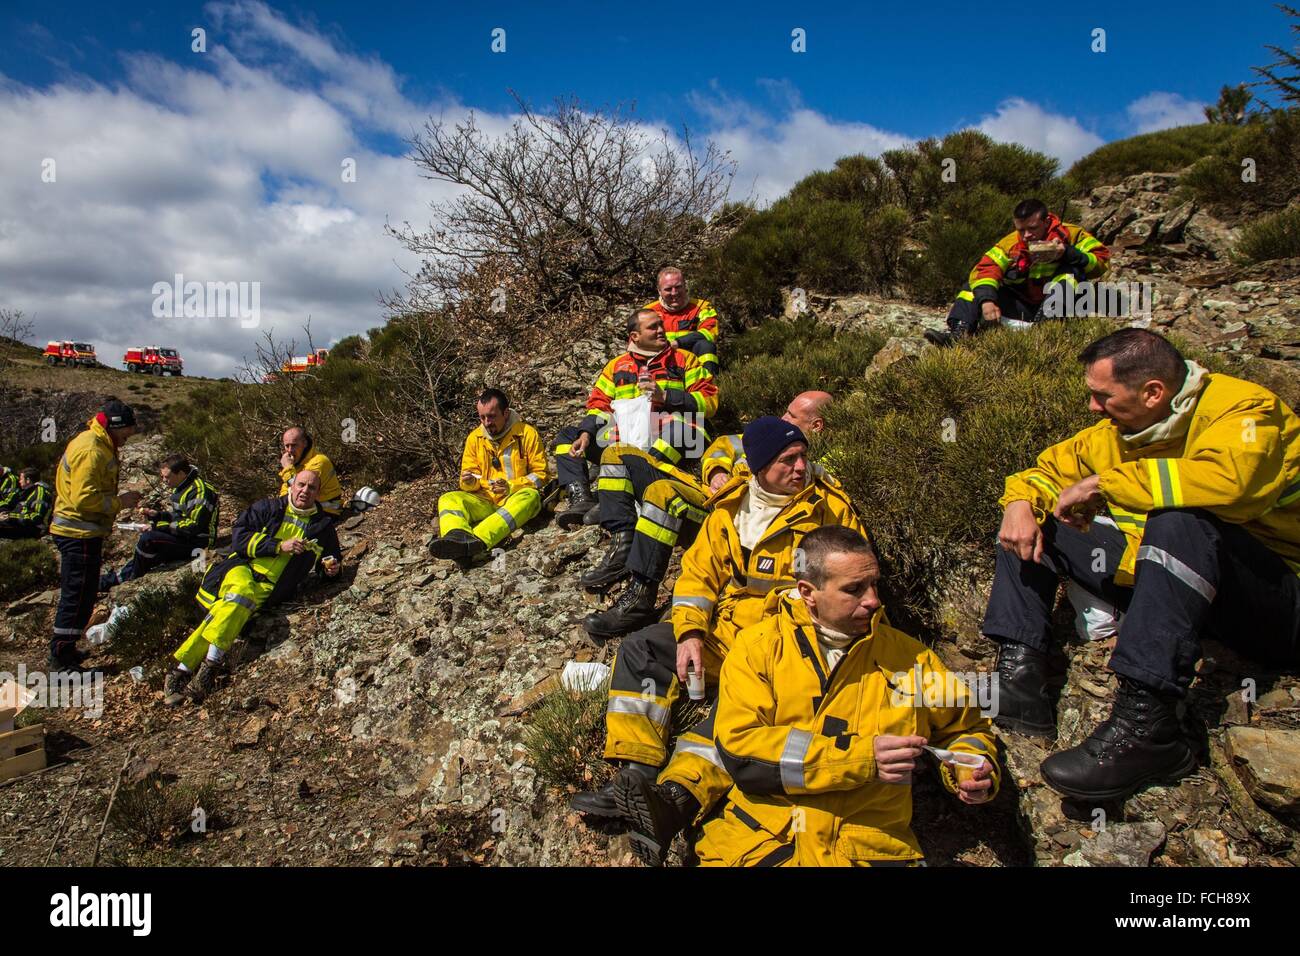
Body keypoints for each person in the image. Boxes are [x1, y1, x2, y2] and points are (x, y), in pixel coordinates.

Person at [986, 328, 1300, 802]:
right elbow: (1045, 471)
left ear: (1153, 392)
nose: (1092, 407)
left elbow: (1229, 482)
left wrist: (1103, 485)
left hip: (1278, 602)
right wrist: (1019, 502)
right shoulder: (1121, 431)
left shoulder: (1245, 410)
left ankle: (1147, 726)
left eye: (1102, 396)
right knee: (1030, 523)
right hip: (1189, 588)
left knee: (1181, 520)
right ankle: (1020, 679)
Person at [570, 416, 864, 818]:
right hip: (728, 631)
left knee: (738, 710)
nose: (801, 468)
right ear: (760, 467)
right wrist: (690, 632)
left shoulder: (829, 509)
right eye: (788, 460)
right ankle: (634, 775)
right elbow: (697, 575)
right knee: (642, 650)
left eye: (803, 457)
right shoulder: (732, 509)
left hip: (786, 644)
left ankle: (676, 795)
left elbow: (852, 583)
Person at [681, 527, 998, 867]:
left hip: (872, 850)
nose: (873, 599)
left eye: (874, 583)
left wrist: (972, 768)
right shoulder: (757, 649)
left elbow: (966, 729)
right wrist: (861, 761)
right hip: (764, 842)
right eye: (854, 589)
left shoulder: (912, 658)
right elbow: (741, 752)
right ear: (808, 592)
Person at [163, 469, 341, 706]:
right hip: (241, 569)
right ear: (291, 486)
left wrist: (331, 570)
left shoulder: (322, 525)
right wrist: (278, 546)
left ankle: (179, 672)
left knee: (228, 611)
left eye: (311, 488)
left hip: (271, 589)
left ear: (318, 493)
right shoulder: (267, 508)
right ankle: (210, 668)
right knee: (241, 595)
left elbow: (329, 558)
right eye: (301, 485)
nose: (304, 491)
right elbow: (240, 538)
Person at [553, 308, 718, 528]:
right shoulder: (616, 366)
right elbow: (599, 404)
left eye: (661, 325)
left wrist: (666, 397)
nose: (662, 330)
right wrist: (586, 433)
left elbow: (710, 402)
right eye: (653, 327)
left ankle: (616, 500)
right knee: (567, 436)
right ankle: (581, 498)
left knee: (674, 432)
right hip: (627, 441)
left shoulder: (684, 360)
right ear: (634, 337)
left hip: (681, 436)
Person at [924, 198, 1110, 346]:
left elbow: (1101, 262)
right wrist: (987, 300)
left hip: (1063, 308)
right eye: (1021, 230)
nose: (1026, 236)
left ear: (1046, 222)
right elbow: (985, 269)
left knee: (1070, 274)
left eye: (1032, 228)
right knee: (973, 287)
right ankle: (959, 333)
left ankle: (1046, 331)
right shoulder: (1011, 243)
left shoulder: (1072, 234)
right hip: (1023, 305)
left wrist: (1068, 253)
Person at [48, 400, 142, 671]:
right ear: (116, 427)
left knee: (84, 592)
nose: (129, 437)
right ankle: (61, 657)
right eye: (128, 431)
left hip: (83, 531)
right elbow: (84, 498)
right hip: (78, 532)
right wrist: (119, 502)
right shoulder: (91, 448)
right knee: (77, 594)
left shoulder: (100, 443)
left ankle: (66, 648)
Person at [429, 388, 548, 562]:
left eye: (491, 416)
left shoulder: (527, 434)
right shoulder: (474, 438)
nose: (486, 422)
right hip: (484, 500)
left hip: (514, 499)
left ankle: (477, 540)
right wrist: (468, 482)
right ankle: (456, 537)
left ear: (505, 413)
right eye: (482, 417)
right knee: (448, 499)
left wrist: (511, 487)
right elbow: (469, 482)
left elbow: (541, 475)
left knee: (530, 497)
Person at [99, 454, 218, 589]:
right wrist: (159, 516)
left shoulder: (200, 492)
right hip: (185, 537)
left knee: (149, 539)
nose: (164, 481)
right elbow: (180, 517)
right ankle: (112, 579)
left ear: (181, 474)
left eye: (167, 477)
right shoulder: (182, 486)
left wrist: (160, 527)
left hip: (198, 543)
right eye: (162, 477)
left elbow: (193, 526)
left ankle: (132, 578)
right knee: (148, 552)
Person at [702, 391, 833, 493]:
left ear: (816, 426)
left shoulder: (834, 463)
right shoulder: (770, 435)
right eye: (786, 412)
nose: (783, 418)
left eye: (791, 416)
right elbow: (723, 445)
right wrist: (716, 473)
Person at [644, 267, 720, 375]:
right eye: (668, 289)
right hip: (660, 361)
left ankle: (709, 385)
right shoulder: (648, 312)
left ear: (685, 286)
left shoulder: (703, 307)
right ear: (659, 290)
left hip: (693, 362)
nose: (674, 293)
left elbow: (709, 333)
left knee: (705, 345)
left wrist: (677, 343)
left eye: (678, 287)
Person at [278, 427, 342, 518]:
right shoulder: (297, 463)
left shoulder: (318, 462)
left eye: (294, 445)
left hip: (326, 512)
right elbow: (286, 492)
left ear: (305, 443)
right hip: (307, 508)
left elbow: (300, 491)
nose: (290, 450)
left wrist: (287, 469)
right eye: (287, 446)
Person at [0, 468, 52, 539]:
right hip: (23, 525)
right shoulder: (27, 492)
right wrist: (6, 515)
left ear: (28, 480)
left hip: (33, 530)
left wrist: (10, 517)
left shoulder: (40, 492)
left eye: (21, 479)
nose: (19, 481)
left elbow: (36, 517)